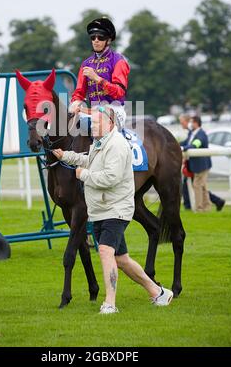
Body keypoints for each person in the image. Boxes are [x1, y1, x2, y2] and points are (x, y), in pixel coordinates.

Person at [53, 105, 173, 314]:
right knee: (122, 259)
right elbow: (87, 160)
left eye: (97, 123)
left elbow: (110, 178)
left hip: (116, 209)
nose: (92, 126)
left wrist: (83, 176)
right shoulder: (99, 143)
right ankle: (159, 292)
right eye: (92, 123)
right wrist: (65, 156)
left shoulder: (116, 144)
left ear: (109, 124)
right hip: (102, 209)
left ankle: (110, 303)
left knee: (105, 252)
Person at [69, 17, 130, 130]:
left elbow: (120, 92)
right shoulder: (86, 63)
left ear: (109, 40)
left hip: (114, 110)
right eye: (93, 37)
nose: (96, 40)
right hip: (92, 111)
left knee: (99, 122)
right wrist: (75, 102)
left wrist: (98, 79)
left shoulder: (118, 60)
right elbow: (79, 92)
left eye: (100, 37)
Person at [181, 116, 225, 212]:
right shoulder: (192, 133)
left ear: (196, 123)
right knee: (203, 187)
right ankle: (207, 207)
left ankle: (199, 208)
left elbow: (196, 144)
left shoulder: (201, 134)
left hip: (202, 165)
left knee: (197, 185)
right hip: (196, 165)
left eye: (191, 122)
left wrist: (184, 148)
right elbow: (185, 142)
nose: (190, 124)